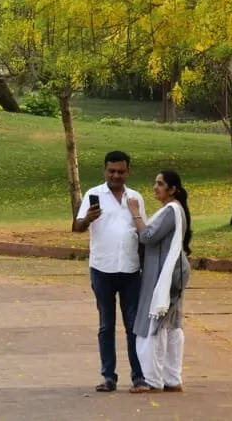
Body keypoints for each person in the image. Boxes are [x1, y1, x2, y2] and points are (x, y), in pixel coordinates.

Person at [72, 150, 146, 393]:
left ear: (128, 172)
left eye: (121, 171)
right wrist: (88, 219)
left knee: (133, 325)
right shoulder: (94, 195)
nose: (116, 175)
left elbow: (143, 232)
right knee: (106, 324)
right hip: (102, 268)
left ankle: (139, 377)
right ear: (105, 171)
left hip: (130, 269)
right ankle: (108, 376)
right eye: (112, 171)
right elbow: (76, 228)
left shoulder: (135, 197)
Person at [127, 169, 191, 393]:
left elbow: (147, 236)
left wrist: (135, 213)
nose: (155, 187)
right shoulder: (172, 210)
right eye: (155, 182)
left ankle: (153, 380)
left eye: (160, 184)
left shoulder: (171, 210)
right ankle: (172, 379)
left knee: (154, 323)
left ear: (172, 189)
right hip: (171, 272)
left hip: (164, 274)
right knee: (171, 325)